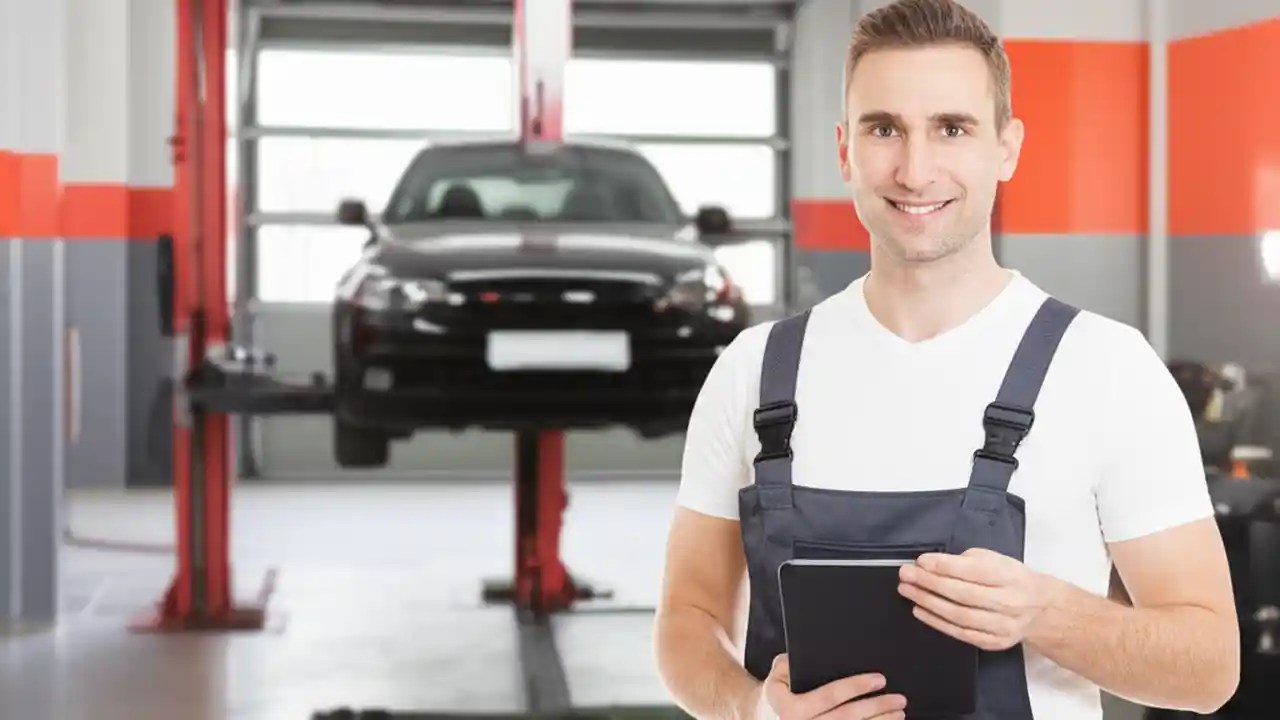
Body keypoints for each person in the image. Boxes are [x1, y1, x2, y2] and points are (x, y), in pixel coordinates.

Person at [653, 1, 1240, 719]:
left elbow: (1210, 668)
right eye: (883, 129)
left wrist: (1049, 615)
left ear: (1007, 148)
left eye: (952, 128)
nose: (915, 168)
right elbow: (687, 619)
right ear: (845, 149)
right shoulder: (756, 370)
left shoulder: (1109, 370)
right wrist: (755, 711)